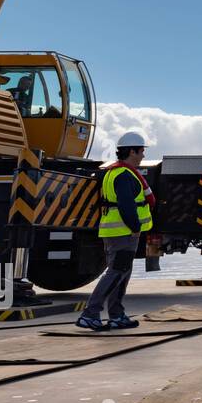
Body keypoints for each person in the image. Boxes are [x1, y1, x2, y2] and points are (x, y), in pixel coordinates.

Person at [77, 131, 154, 331]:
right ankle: (90, 314)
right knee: (116, 273)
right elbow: (126, 205)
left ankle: (116, 315)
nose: (143, 156)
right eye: (141, 151)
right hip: (123, 233)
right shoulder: (124, 176)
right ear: (131, 152)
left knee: (122, 273)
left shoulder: (116, 172)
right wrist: (135, 227)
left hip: (119, 232)